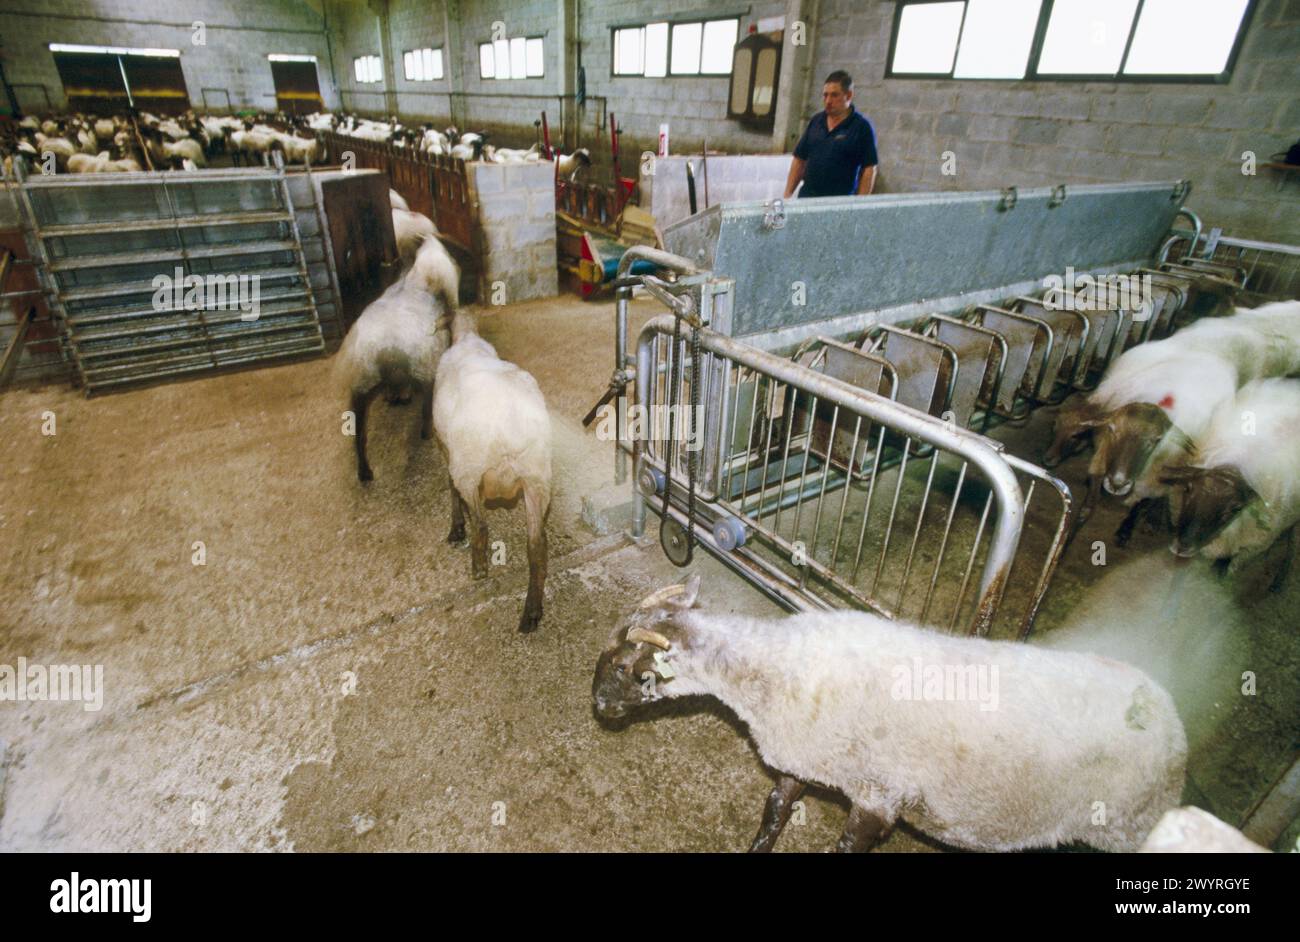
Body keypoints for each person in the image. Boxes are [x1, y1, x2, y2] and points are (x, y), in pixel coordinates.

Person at [784, 70, 878, 199]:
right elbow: (799, 159)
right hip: (807, 197)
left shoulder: (861, 128)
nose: (828, 101)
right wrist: (787, 194)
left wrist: (860, 205)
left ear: (849, 95)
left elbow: (869, 169)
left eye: (834, 95)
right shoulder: (816, 121)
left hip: (838, 202)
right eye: (825, 95)